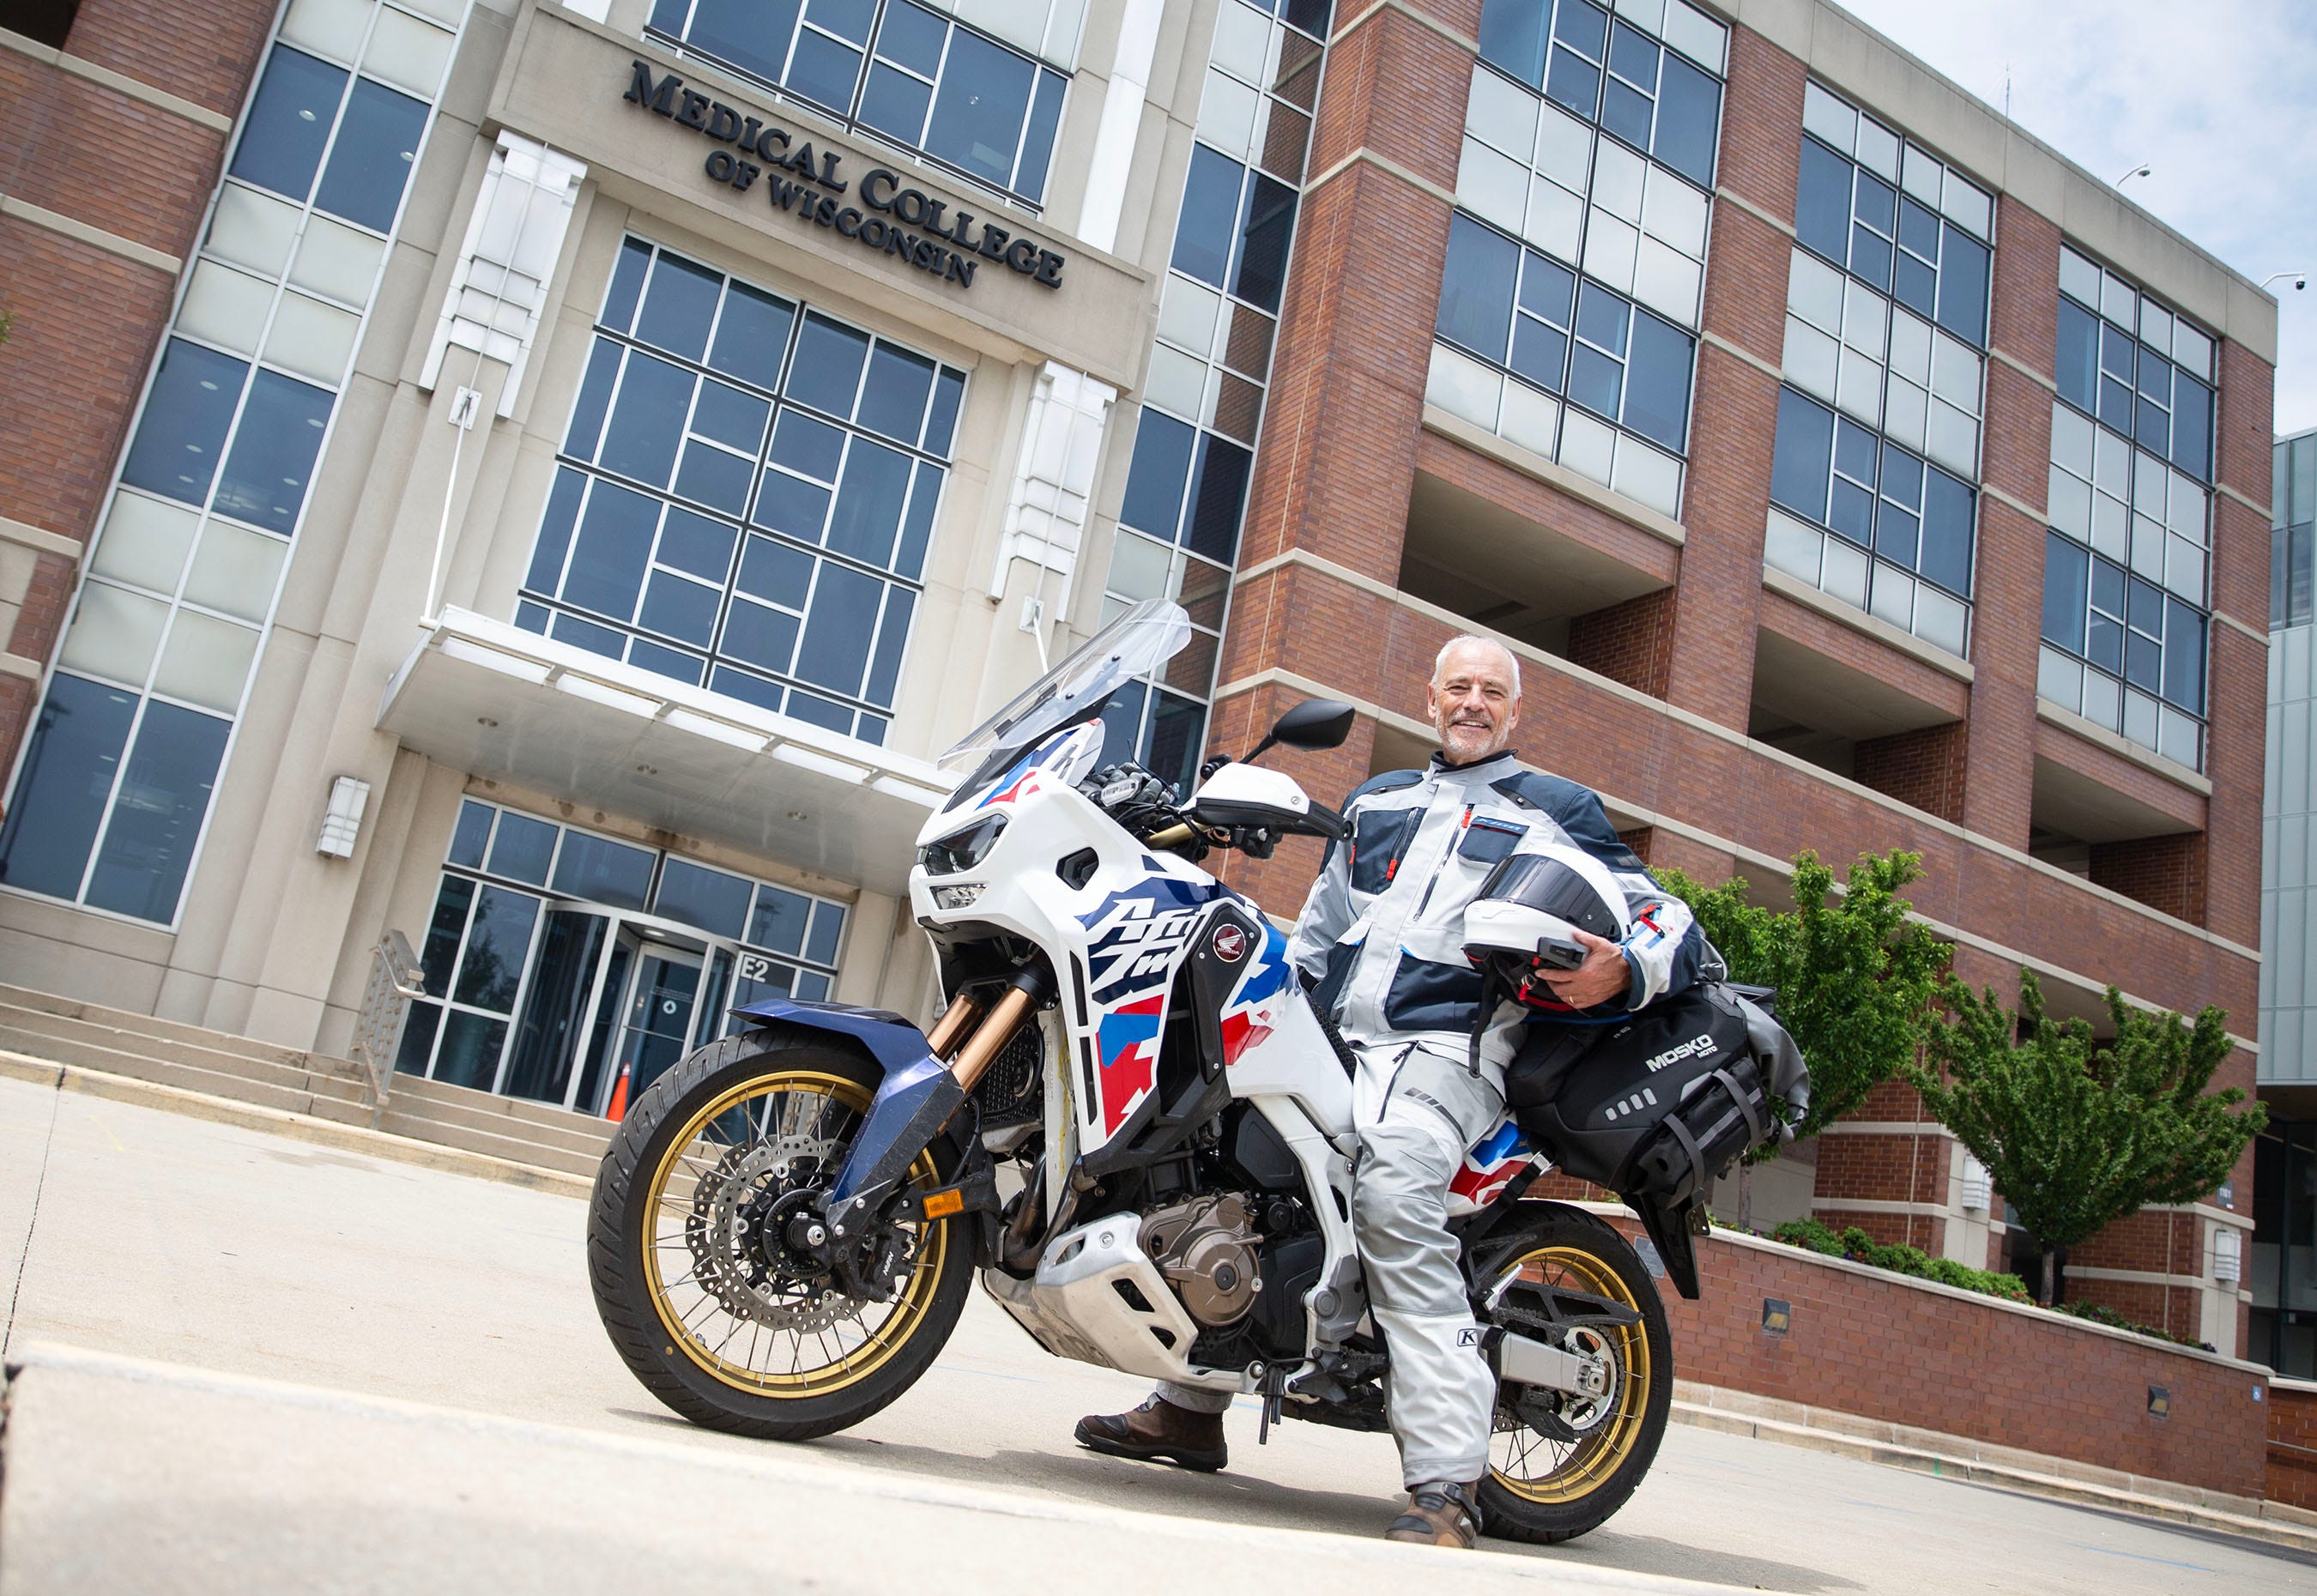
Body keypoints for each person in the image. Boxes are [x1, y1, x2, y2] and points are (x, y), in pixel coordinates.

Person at [1075, 635, 1709, 1548]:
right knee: (1224, 1170)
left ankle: (1447, 1482)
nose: (1474, 703)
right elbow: (1322, 931)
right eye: (1459, 687)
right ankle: (1190, 1407)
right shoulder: (1378, 801)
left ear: (1516, 711)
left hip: (1446, 1052)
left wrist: (1627, 967)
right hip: (1337, 1034)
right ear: (1431, 698)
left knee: (1394, 1198)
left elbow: (1668, 917)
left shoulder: (1555, 808)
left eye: (1492, 692)